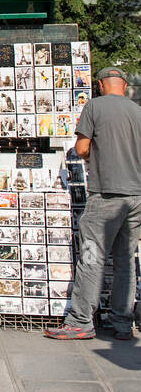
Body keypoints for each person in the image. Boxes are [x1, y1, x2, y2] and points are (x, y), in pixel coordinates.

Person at [47, 67, 141, 341]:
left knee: (91, 256)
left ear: (100, 85)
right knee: (126, 260)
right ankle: (123, 324)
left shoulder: (95, 106)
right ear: (124, 86)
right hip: (136, 196)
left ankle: (80, 321)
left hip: (106, 194)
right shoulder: (138, 112)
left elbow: (81, 148)